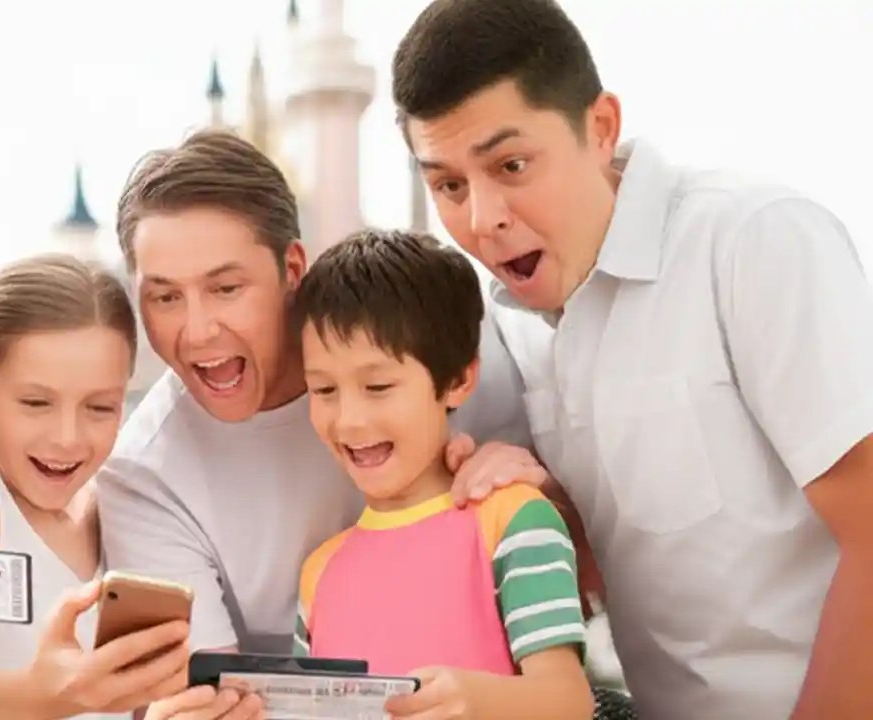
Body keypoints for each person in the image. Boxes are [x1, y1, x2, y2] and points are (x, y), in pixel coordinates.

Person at [391, 1, 873, 718]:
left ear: (600, 128)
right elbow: (613, 565)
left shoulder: (751, 242)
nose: (482, 216)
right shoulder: (507, 327)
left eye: (511, 164)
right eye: (449, 186)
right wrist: (540, 506)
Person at [98, 129, 540, 719]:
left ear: (292, 269)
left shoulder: (425, 345)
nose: (198, 330)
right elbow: (208, 690)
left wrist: (536, 486)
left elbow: (566, 569)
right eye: (165, 297)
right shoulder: (143, 476)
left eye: (226, 288)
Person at [291, 228, 592, 720]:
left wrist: (475, 699)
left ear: (457, 380)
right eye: (324, 391)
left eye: (378, 385)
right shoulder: (319, 572)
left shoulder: (513, 521)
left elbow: (568, 702)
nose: (348, 420)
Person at [0, 254, 190, 720]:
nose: (67, 437)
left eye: (100, 408)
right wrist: (63, 693)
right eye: (37, 402)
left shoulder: (112, 504)